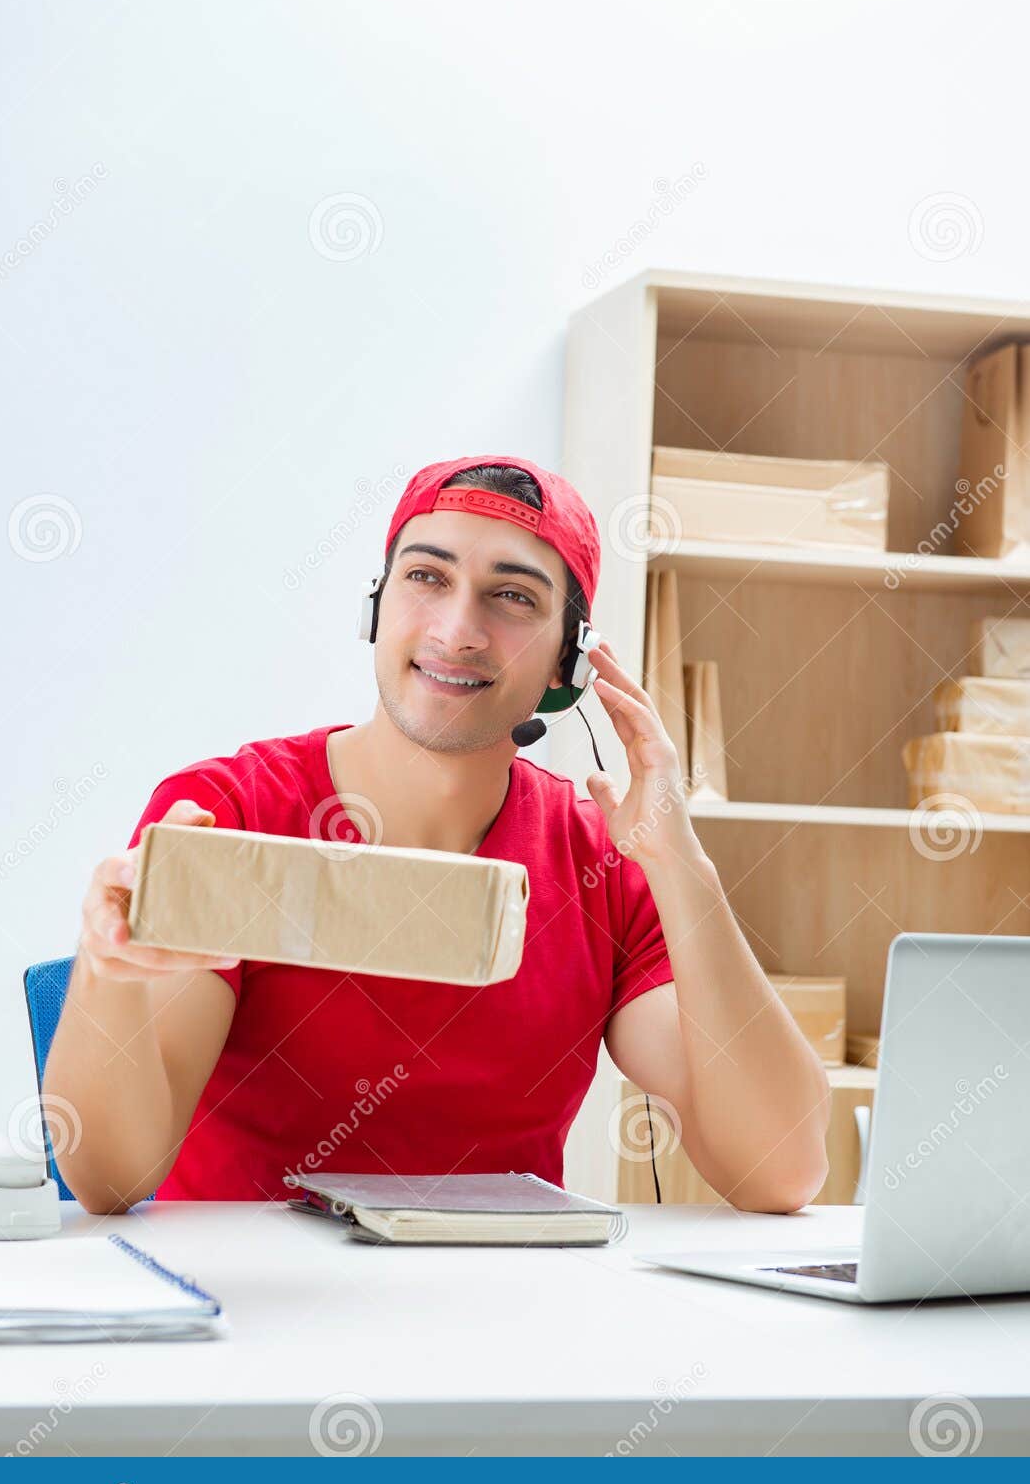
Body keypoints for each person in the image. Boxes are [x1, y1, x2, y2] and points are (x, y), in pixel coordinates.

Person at [46, 455, 830, 1214]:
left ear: (571, 663)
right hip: (254, 1318)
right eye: (426, 577)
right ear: (375, 609)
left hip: (495, 1321)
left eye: (513, 597)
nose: (458, 630)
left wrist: (680, 861)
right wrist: (108, 969)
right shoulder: (229, 813)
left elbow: (777, 1171)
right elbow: (113, 1178)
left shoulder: (604, 864)